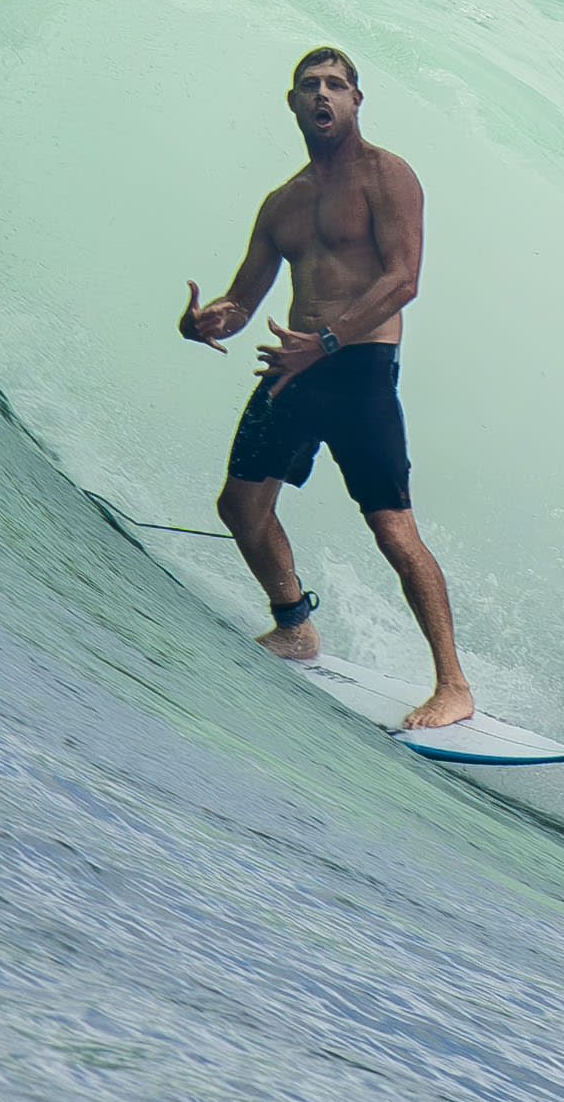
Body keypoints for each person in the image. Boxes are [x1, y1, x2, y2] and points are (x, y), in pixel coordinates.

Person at [174, 47, 474, 731]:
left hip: (358, 367)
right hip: (295, 365)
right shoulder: (282, 202)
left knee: (391, 528)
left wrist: (328, 341)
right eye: (310, 85)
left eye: (337, 85)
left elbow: (403, 279)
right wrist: (207, 321)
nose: (323, 94)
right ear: (292, 103)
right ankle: (294, 626)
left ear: (357, 101)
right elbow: (244, 301)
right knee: (240, 505)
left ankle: (453, 686)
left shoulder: (387, 176)